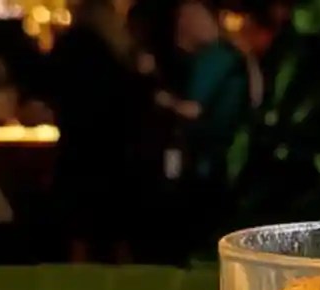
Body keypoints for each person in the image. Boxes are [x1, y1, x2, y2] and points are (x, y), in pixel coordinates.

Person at [49, 0, 154, 264]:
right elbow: (135, 101)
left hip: (76, 153)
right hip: (115, 155)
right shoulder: (120, 52)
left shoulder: (69, 46)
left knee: (79, 239)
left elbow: (48, 91)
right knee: (118, 240)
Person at [174, 0, 257, 251]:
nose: (182, 25)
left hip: (214, 160)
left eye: (188, 18)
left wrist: (159, 99)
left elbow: (192, 109)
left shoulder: (215, 58)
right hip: (229, 159)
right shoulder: (231, 54)